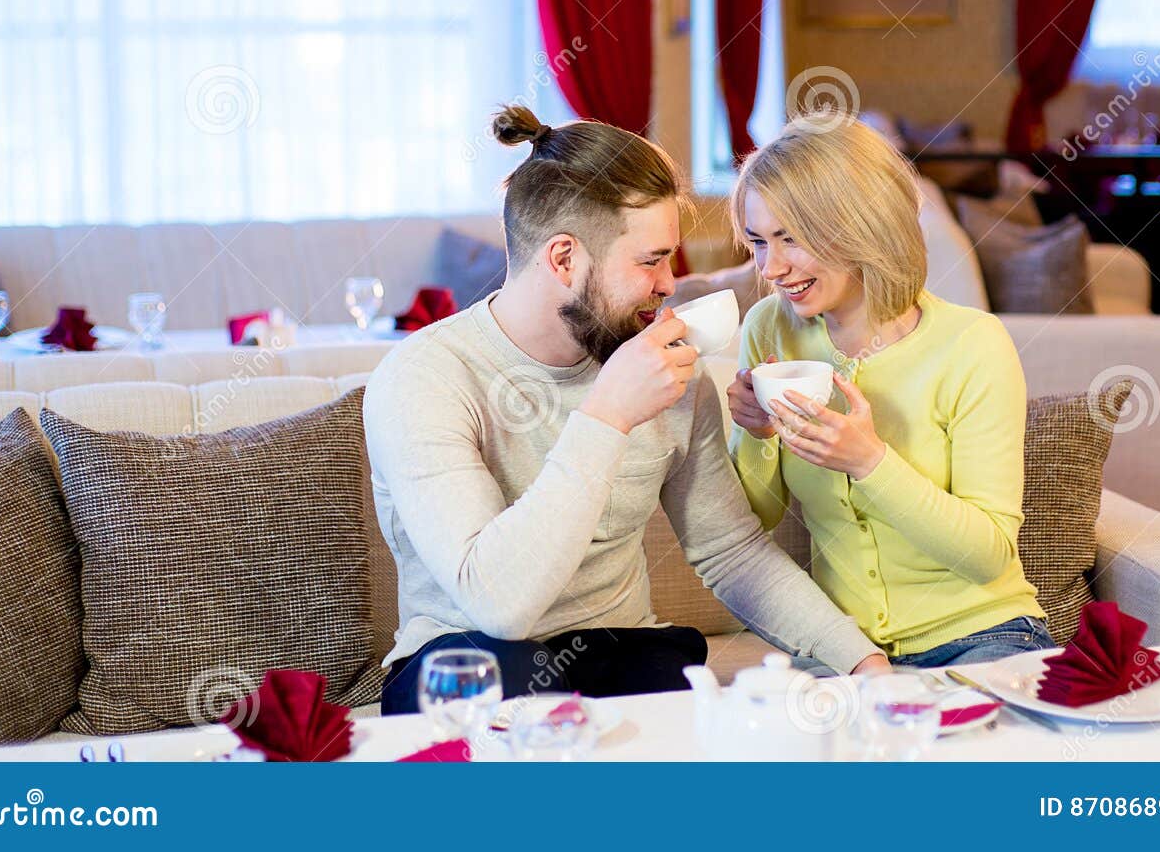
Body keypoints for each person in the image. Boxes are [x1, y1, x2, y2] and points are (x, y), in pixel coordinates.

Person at [364, 106, 888, 714]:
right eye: (651, 260)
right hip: (469, 669)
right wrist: (606, 414)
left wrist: (863, 663)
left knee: (666, 665)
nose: (671, 283)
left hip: (618, 657)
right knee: (506, 671)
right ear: (563, 259)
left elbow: (732, 552)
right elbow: (498, 604)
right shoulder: (425, 377)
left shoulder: (666, 372)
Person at [725, 116, 1053, 668]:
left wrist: (870, 463)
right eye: (758, 242)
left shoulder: (972, 344)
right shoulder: (769, 329)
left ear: (862, 225)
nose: (772, 268)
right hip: (847, 652)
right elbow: (751, 521)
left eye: (791, 239)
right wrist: (756, 433)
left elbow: (988, 557)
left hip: (984, 637)